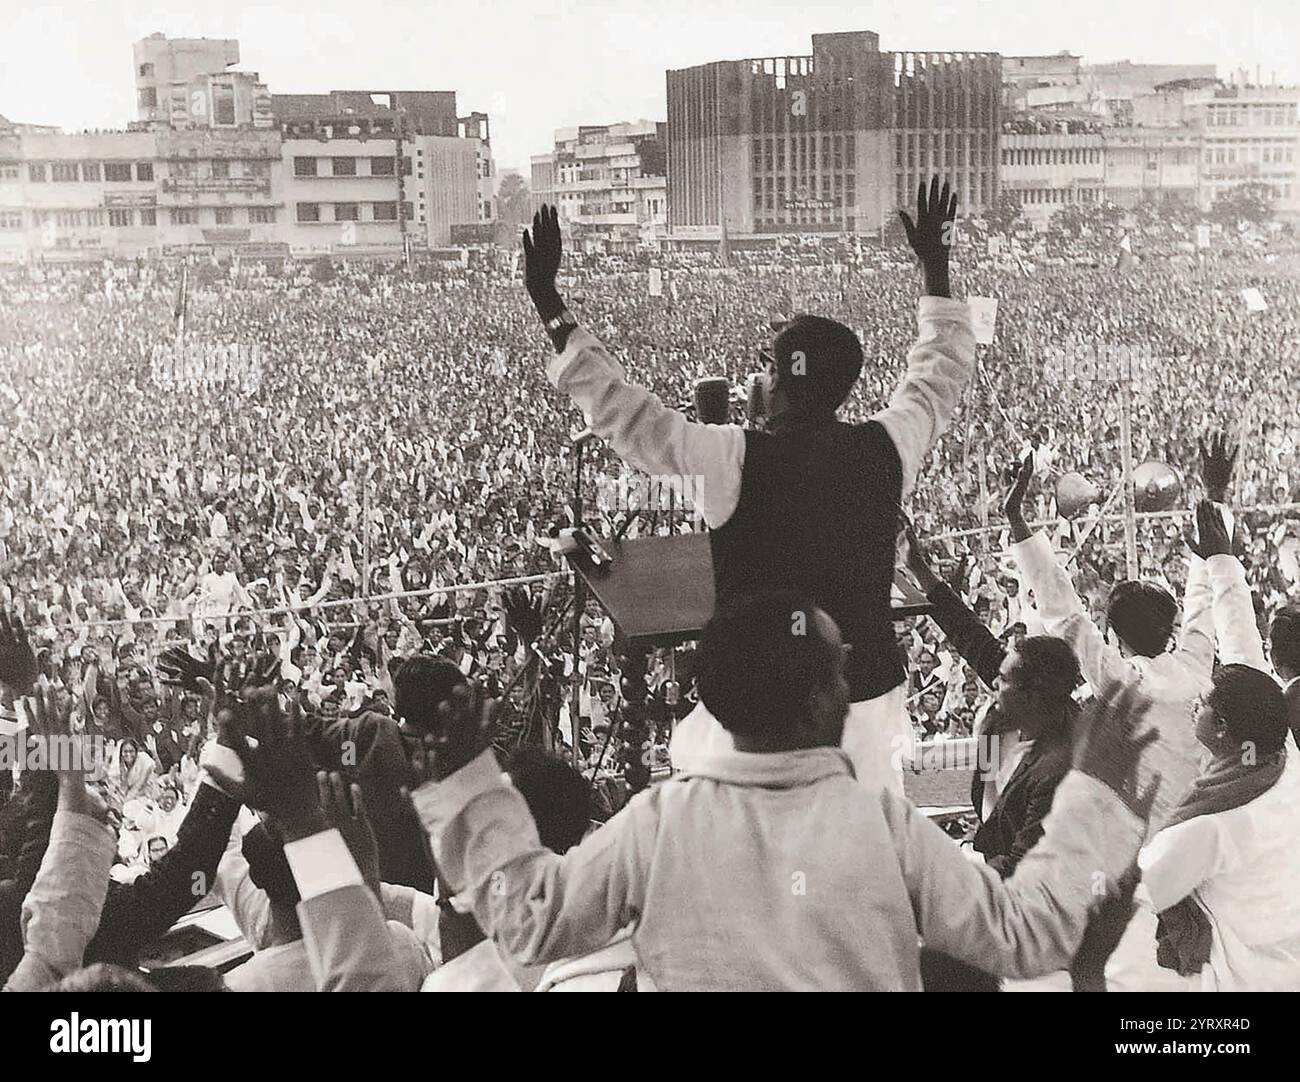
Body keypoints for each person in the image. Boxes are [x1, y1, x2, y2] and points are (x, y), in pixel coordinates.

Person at [302, 590, 1157, 991]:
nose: (850, 678)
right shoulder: (879, 825)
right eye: (838, 667)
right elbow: (1027, 936)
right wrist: (1101, 795)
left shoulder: (659, 822)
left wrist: (463, 783)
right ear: (821, 699)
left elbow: (528, 920)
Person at [522, 180, 976, 795]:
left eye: (768, 363)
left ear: (782, 381)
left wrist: (551, 303)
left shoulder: (731, 456)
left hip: (759, 716)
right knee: (865, 852)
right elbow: (939, 370)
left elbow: (623, 412)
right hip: (865, 703)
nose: (759, 376)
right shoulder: (887, 446)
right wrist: (936, 266)